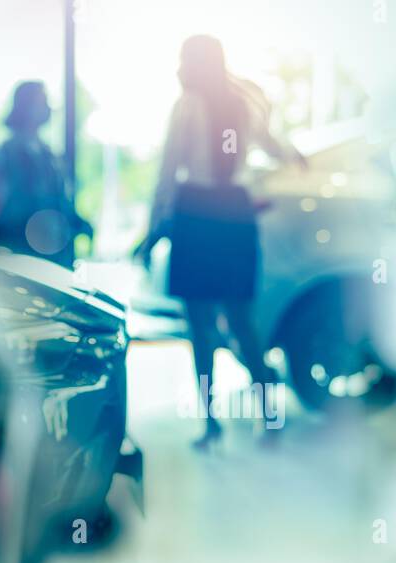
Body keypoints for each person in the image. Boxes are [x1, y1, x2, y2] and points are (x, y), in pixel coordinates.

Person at [135, 35, 304, 450]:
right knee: (243, 323)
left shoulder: (186, 105)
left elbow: (168, 171)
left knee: (202, 330)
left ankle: (211, 423)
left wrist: (154, 229)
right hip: (235, 215)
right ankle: (268, 414)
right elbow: (274, 145)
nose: (180, 68)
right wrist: (299, 162)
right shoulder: (242, 101)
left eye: (184, 60)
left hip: (197, 216)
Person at [0, 80, 92, 267]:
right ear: (26, 105)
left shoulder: (48, 153)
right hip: (25, 253)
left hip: (56, 253)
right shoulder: (8, 152)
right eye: (42, 100)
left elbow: (59, 199)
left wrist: (77, 221)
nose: (48, 107)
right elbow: (10, 204)